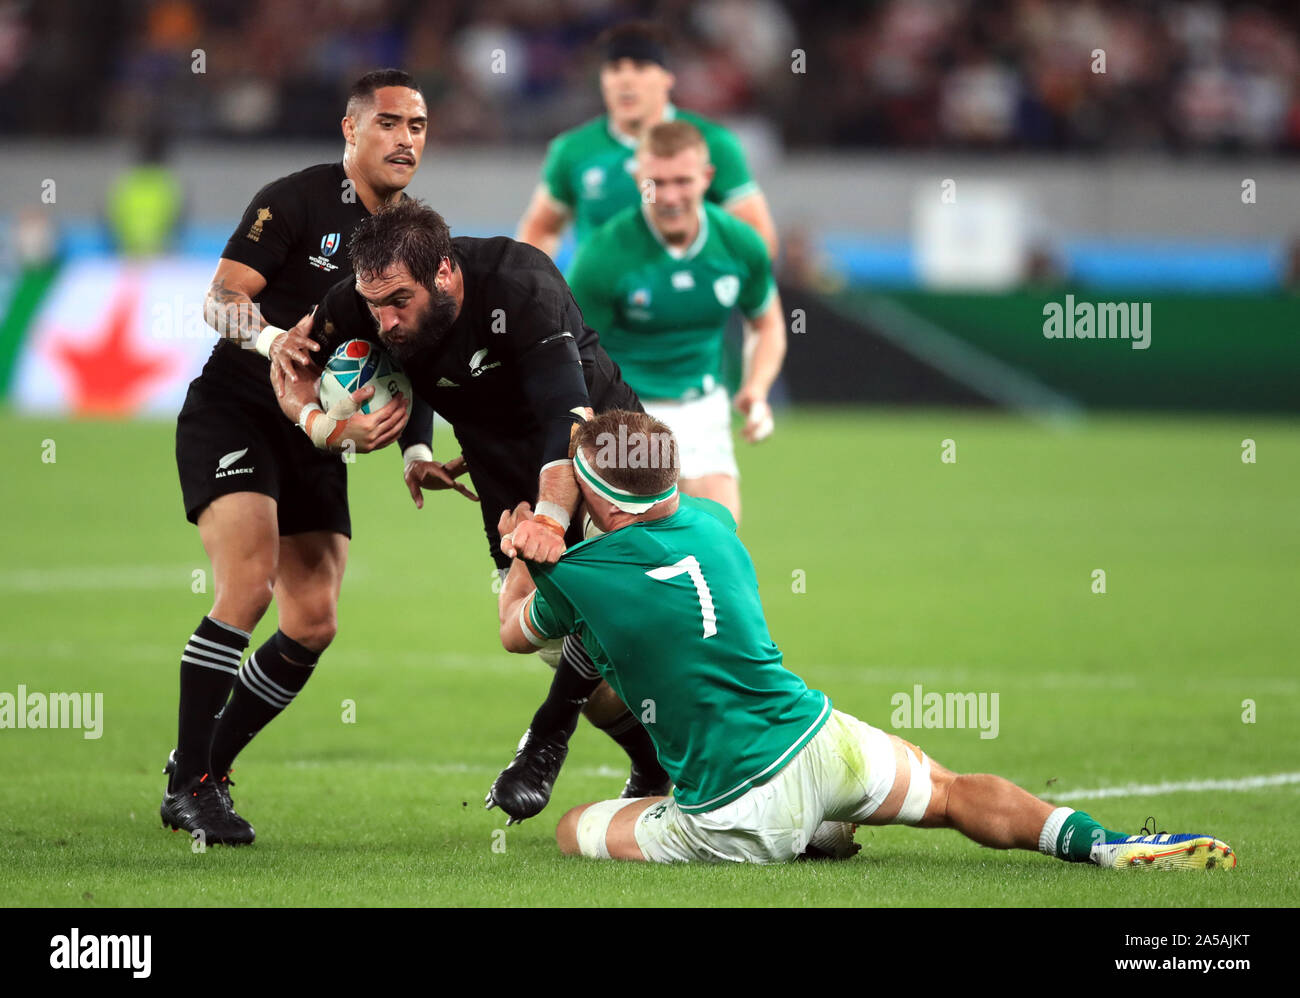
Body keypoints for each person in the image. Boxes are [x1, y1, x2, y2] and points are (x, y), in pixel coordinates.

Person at [489, 410, 1238, 871]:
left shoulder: (583, 576)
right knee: (949, 792)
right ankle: (1103, 845)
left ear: (604, 505)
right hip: (818, 739)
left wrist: (527, 542)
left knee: (568, 831)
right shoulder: (714, 520)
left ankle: (803, 835)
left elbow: (513, 633)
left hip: (731, 810)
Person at [270, 199, 673, 808]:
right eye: (373, 304)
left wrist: (549, 521)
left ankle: (546, 741)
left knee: (612, 613)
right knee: (549, 641)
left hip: (604, 445)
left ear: (445, 274)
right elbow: (291, 364)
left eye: (398, 302)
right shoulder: (364, 302)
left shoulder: (521, 286)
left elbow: (568, 421)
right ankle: (652, 767)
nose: (383, 322)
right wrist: (329, 427)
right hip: (501, 466)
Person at [164, 70, 426, 845]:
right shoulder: (296, 199)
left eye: (416, 124)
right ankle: (193, 788)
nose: (405, 138)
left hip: (319, 431)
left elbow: (426, 347)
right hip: (238, 409)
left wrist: (415, 447)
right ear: (350, 131)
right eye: (388, 123)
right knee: (246, 584)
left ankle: (202, 763)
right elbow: (218, 298)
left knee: (312, 619)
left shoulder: (420, 235)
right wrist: (274, 338)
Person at [567, 120, 785, 523]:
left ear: (707, 177)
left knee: (718, 539)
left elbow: (767, 323)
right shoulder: (603, 255)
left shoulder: (740, 244)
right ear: (637, 177)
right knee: (639, 557)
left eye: (682, 182)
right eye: (657, 182)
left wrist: (756, 390)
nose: (669, 197)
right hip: (628, 412)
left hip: (703, 407)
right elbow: (570, 348)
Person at [516, 21, 778, 262]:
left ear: (666, 79)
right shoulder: (573, 150)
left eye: (640, 69)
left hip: (688, 306)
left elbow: (758, 238)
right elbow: (541, 230)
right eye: (616, 70)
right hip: (598, 306)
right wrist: (534, 291)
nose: (627, 82)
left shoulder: (714, 143)